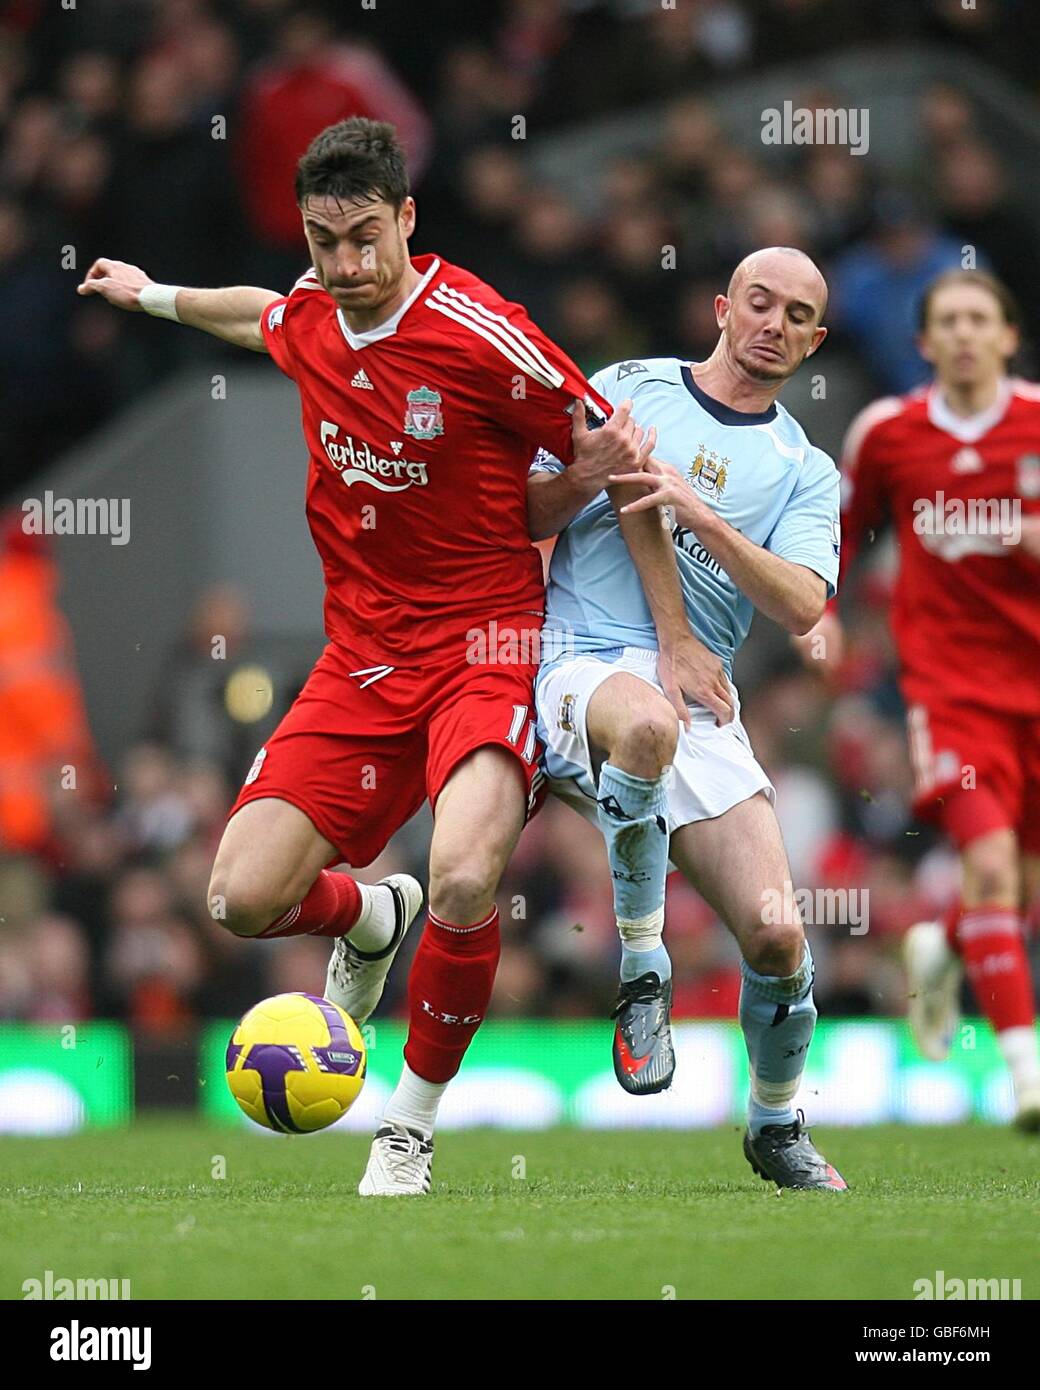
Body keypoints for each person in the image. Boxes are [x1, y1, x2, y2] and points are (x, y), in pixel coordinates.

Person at [78, 117, 728, 1194]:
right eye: (323, 240)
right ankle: (369, 915)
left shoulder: (482, 334)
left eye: (364, 238)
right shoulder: (316, 311)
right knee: (238, 899)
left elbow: (620, 460)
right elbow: (264, 317)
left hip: (485, 646)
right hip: (360, 660)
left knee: (466, 875)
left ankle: (408, 1128)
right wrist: (152, 294)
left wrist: (670, 636)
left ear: (407, 220)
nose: (344, 265)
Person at [527, 247, 849, 1190]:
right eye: (760, 304)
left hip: (700, 687)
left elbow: (800, 605)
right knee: (644, 732)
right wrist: (600, 478)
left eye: (797, 317)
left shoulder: (805, 467)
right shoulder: (630, 384)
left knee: (778, 932)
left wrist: (699, 516)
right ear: (721, 307)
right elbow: (526, 506)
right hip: (579, 656)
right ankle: (641, 972)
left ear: (814, 340)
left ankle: (776, 1124)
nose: (774, 326)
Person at [818, 269, 1040, 1131]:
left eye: (980, 319)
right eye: (946, 321)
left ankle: (941, 944)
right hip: (952, 692)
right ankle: (1026, 1074)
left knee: (1016, 891)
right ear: (924, 343)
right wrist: (823, 618)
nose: (963, 334)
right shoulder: (889, 434)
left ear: (1008, 336)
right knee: (988, 868)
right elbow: (838, 531)